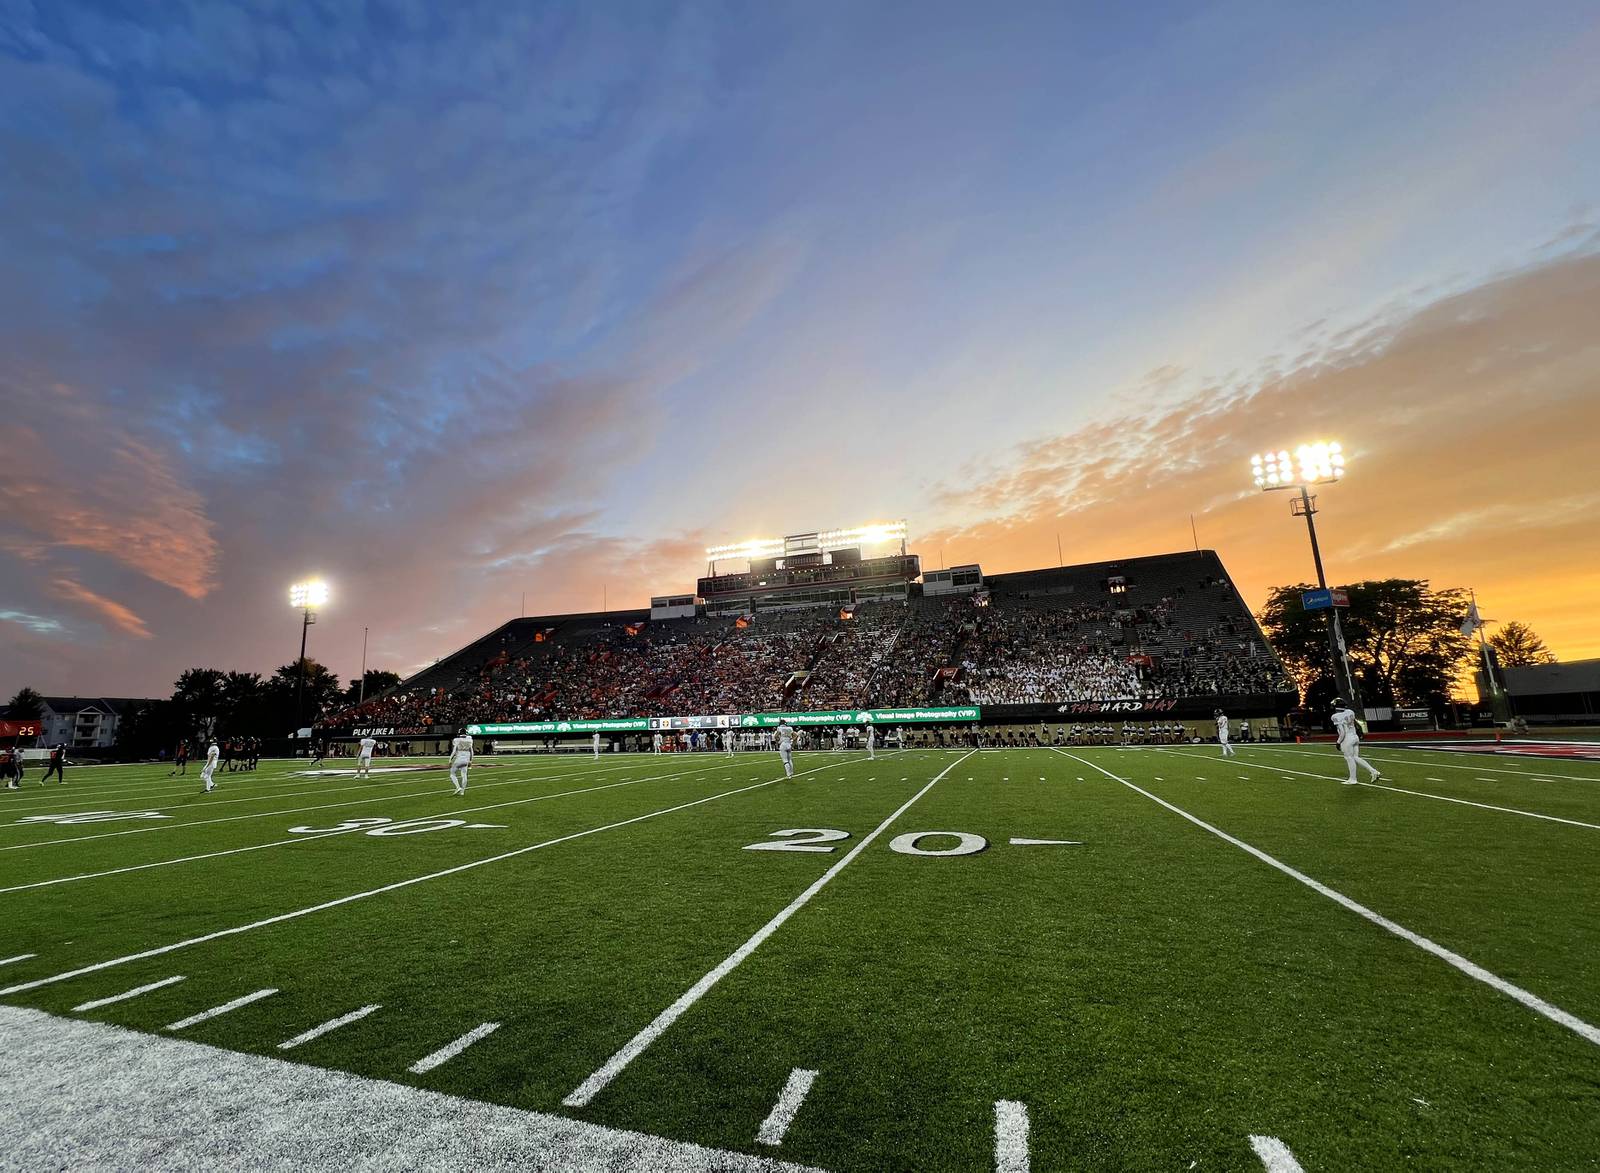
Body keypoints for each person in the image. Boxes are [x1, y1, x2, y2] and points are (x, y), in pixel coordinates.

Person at [1331, 698, 1381, 785]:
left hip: (1347, 738)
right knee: (1355, 757)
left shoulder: (1335, 716)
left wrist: (1338, 742)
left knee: (1349, 758)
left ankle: (1353, 779)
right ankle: (1374, 771)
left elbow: (1342, 732)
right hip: (1354, 736)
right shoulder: (1350, 711)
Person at [448, 728, 474, 795]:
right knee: (464, 775)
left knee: (452, 773)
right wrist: (471, 760)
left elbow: (454, 751)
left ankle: (458, 787)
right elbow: (471, 751)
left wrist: (450, 759)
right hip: (466, 759)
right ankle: (462, 792)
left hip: (459, 758)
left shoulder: (456, 740)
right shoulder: (470, 740)